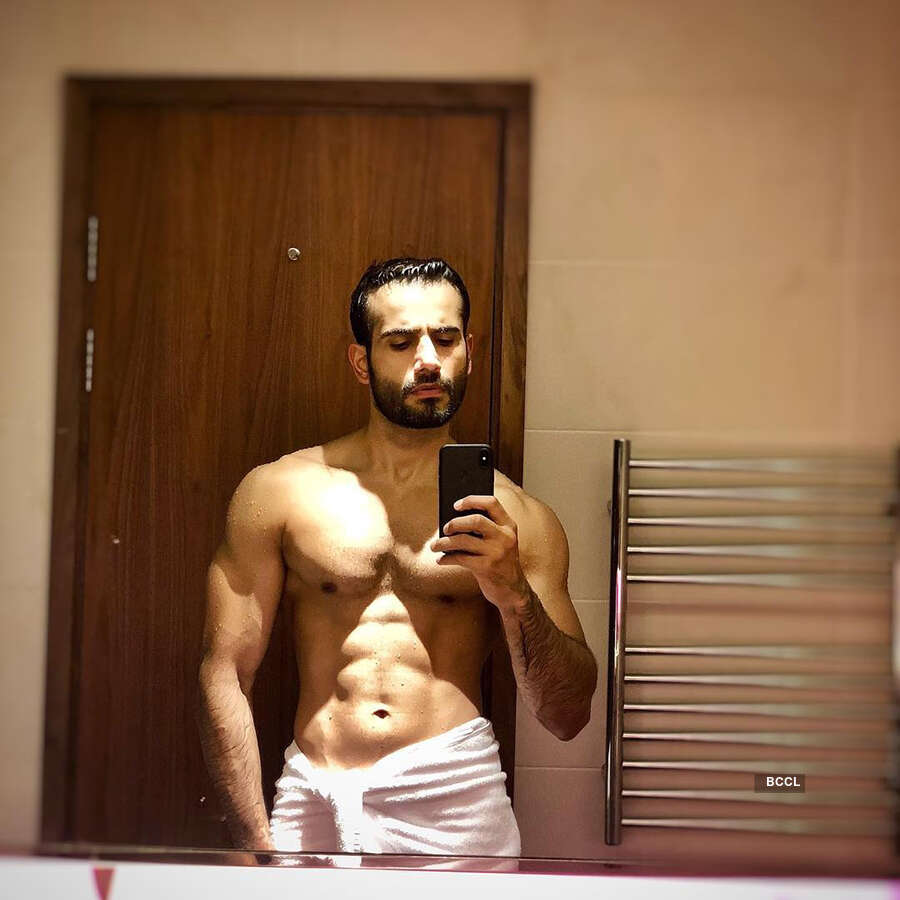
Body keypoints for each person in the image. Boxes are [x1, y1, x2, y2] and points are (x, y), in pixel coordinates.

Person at [197, 258, 598, 859]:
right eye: (401, 341)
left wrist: (513, 592)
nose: (428, 359)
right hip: (315, 797)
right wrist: (252, 838)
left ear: (469, 352)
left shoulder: (520, 519)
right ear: (362, 362)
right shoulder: (281, 491)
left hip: (455, 801)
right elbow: (225, 672)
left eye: (446, 338)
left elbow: (567, 716)